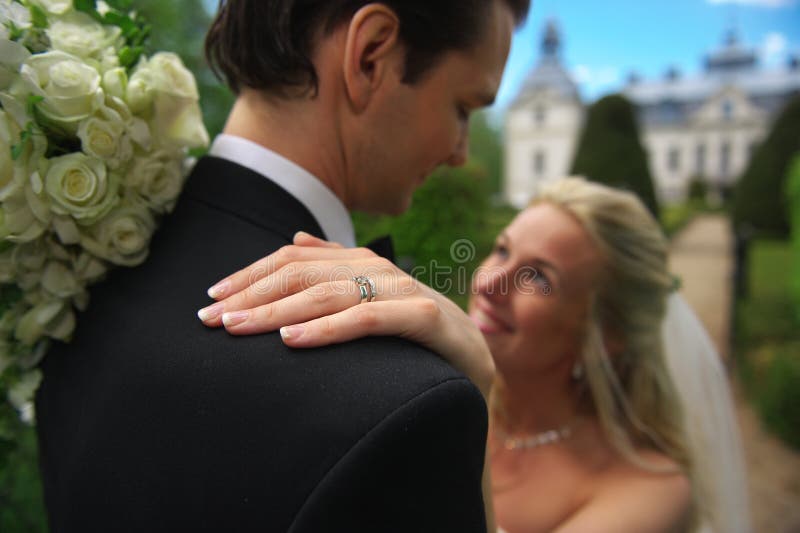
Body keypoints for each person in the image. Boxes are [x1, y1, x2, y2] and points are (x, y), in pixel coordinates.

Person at [35, 1, 530, 531]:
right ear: (370, 56)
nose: (461, 152)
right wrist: (476, 381)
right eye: (463, 107)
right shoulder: (409, 406)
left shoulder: (70, 274)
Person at [201, 177, 751, 532]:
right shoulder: (420, 386)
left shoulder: (653, 489)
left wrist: (476, 383)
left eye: (539, 277)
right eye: (503, 249)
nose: (490, 283)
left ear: (606, 333)